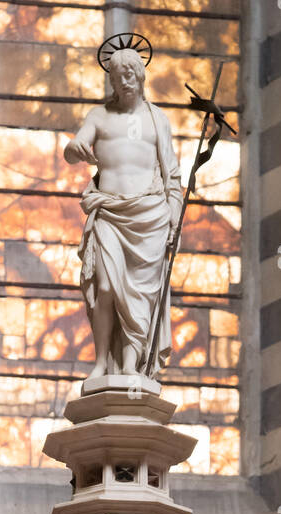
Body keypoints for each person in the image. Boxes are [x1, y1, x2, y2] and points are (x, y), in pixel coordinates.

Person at [65, 48, 182, 380]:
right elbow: (74, 148)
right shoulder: (99, 117)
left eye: (129, 73)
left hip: (150, 216)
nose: (124, 80)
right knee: (105, 287)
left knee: (140, 295)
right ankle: (102, 362)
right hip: (110, 211)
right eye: (117, 76)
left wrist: (174, 216)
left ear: (140, 75)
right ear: (112, 81)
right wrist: (75, 149)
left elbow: (171, 173)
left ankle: (130, 366)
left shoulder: (157, 119)